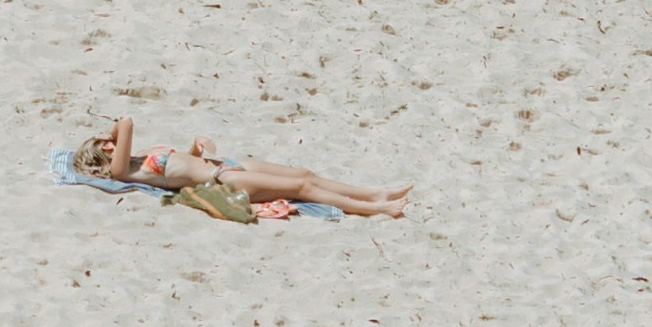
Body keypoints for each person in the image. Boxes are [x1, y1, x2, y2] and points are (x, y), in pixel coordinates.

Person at [74, 118, 411, 214]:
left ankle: (374, 193)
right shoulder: (124, 171)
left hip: (226, 164)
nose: (112, 143)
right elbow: (126, 122)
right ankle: (379, 209)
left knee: (305, 175)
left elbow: (181, 166)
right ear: (105, 152)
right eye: (106, 146)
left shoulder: (137, 160)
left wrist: (195, 148)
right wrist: (109, 136)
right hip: (224, 179)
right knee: (302, 190)